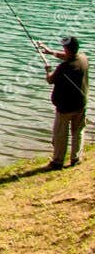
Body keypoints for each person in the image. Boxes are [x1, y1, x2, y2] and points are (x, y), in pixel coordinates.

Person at [37, 36, 88, 169]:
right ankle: (76, 158)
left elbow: (50, 80)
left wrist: (48, 70)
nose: (63, 50)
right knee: (78, 131)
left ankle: (57, 162)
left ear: (67, 49)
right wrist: (50, 52)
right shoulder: (83, 58)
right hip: (81, 104)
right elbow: (68, 57)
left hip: (65, 107)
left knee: (60, 135)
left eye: (64, 48)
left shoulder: (63, 67)